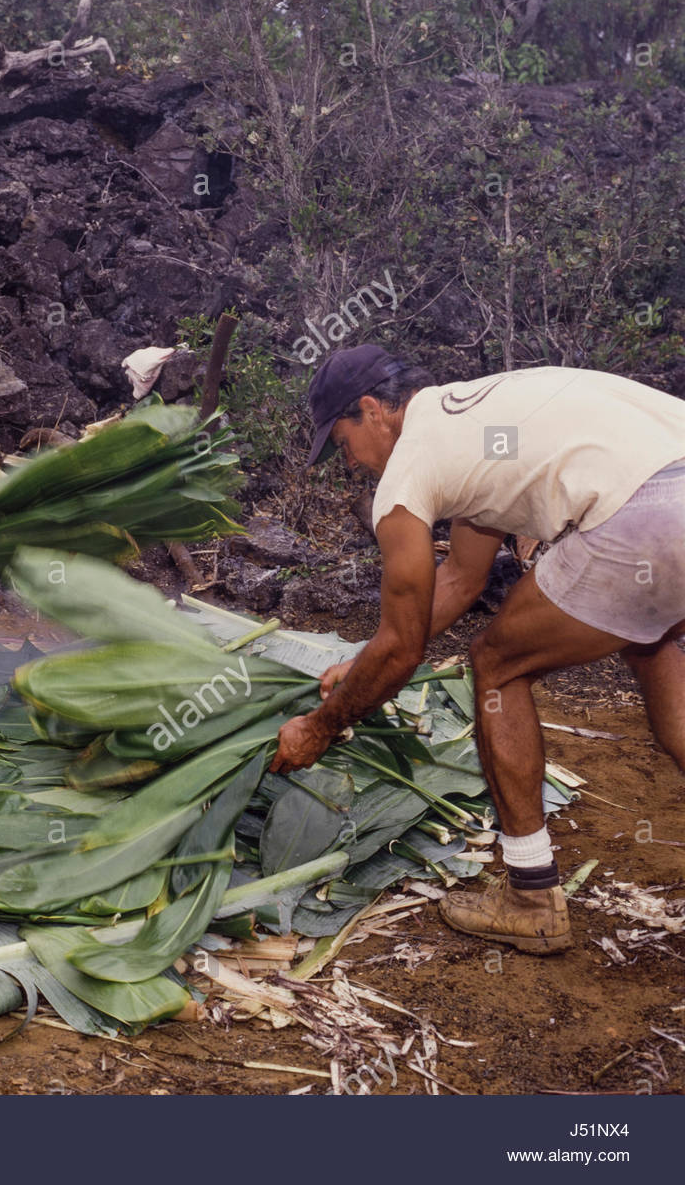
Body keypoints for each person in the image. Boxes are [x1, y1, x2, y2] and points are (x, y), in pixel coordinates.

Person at [270, 345, 685, 953]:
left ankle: (532, 896)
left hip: (646, 514)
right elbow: (462, 578)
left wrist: (320, 728)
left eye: (342, 441)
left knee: (495, 665)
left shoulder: (408, 477)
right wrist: (363, 658)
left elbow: (402, 650)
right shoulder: (467, 424)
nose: (351, 461)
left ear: (371, 410)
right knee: (652, 641)